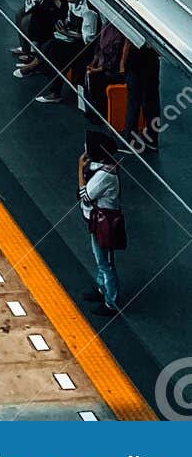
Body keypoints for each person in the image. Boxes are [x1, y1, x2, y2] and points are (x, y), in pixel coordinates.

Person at [78, 131, 125, 315]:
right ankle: (101, 288)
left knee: (105, 261)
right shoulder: (100, 167)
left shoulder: (104, 175)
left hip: (104, 224)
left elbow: (85, 196)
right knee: (100, 258)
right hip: (96, 221)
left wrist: (79, 170)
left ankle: (110, 302)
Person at [120, 39, 161, 153]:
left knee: (133, 102)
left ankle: (129, 139)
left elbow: (129, 40)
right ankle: (152, 139)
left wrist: (122, 63)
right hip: (152, 61)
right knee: (152, 102)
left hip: (135, 61)